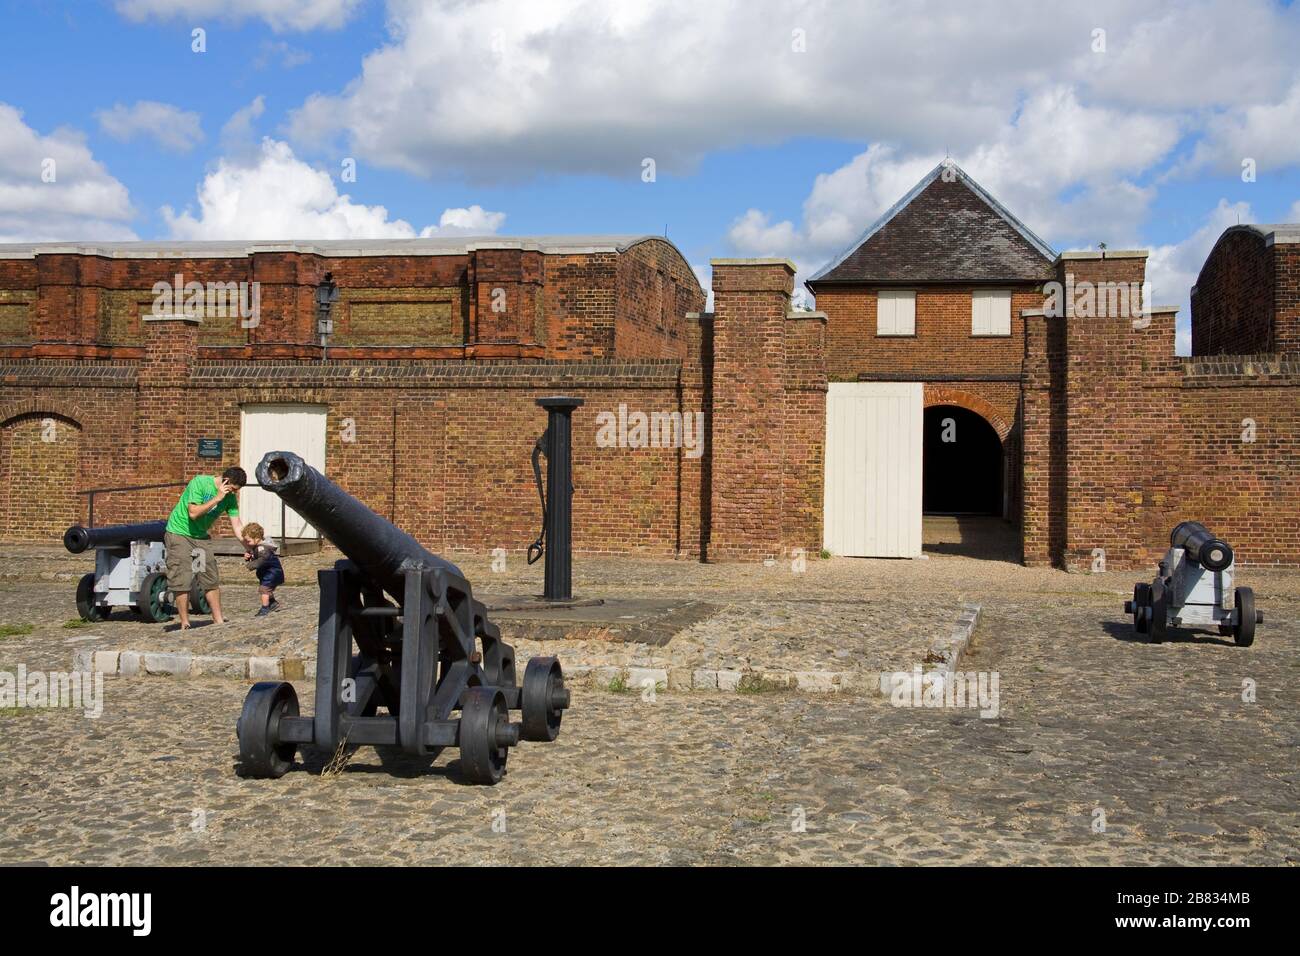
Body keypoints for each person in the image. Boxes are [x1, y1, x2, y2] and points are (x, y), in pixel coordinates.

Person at [164, 466, 246, 629]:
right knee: (182, 577)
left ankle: (218, 619)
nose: (233, 493)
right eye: (233, 489)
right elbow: (193, 513)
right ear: (226, 481)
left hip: (200, 537)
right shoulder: (200, 483)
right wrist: (217, 498)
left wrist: (249, 546)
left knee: (209, 576)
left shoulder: (230, 498)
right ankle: (185, 623)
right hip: (179, 533)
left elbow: (237, 525)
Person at [241, 522, 284, 616]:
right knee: (268, 589)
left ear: (257, 539)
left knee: (264, 589)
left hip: (273, 573)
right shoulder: (257, 547)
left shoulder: (263, 549)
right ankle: (272, 603)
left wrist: (251, 565)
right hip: (267, 573)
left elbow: (262, 560)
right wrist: (249, 556)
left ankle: (265, 608)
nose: (247, 543)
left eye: (248, 541)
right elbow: (256, 556)